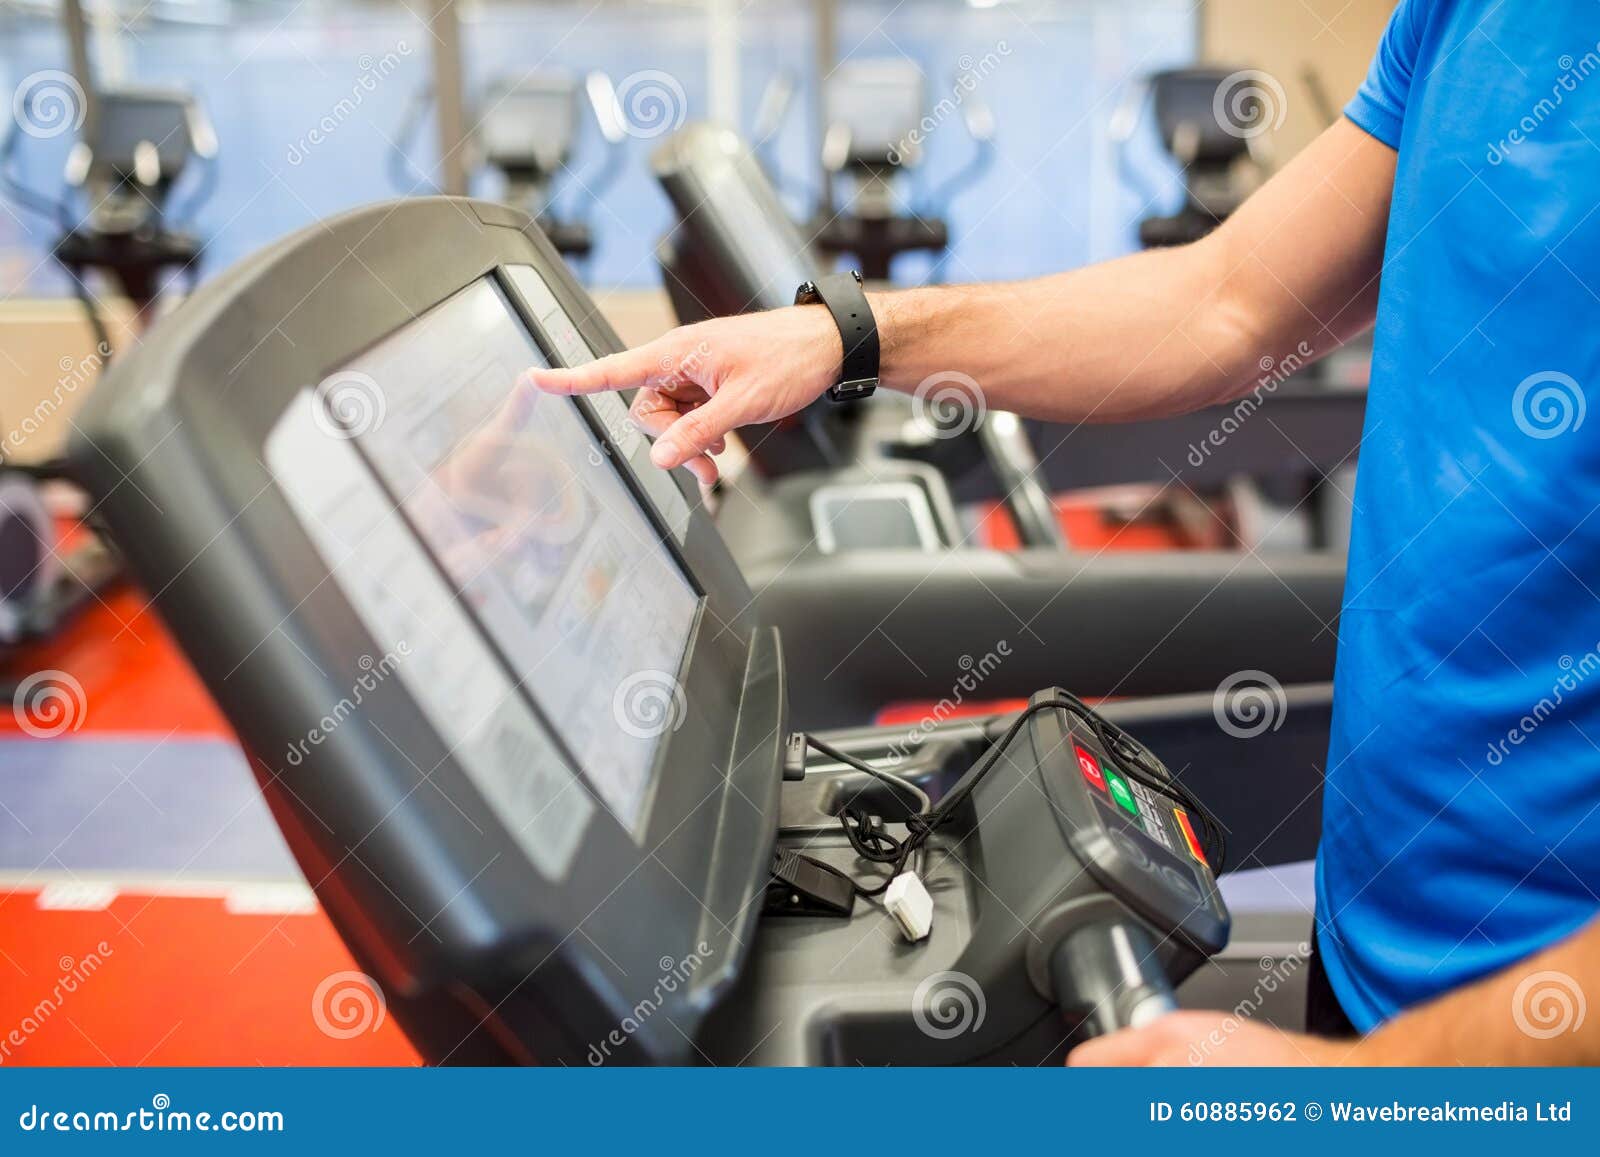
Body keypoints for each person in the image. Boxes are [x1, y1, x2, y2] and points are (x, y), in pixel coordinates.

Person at [525, 0, 1600, 1064]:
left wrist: (1377, 1087)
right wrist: (845, 333)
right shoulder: (1466, 14)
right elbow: (1222, 301)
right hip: (1377, 936)